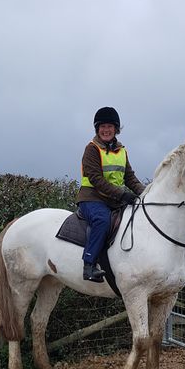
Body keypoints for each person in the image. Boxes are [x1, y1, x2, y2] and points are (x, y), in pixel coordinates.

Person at [77, 106, 145, 282]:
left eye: (110, 126)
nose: (106, 130)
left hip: (113, 200)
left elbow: (130, 177)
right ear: (97, 129)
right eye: (102, 126)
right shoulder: (91, 149)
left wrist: (146, 194)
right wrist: (122, 195)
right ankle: (89, 264)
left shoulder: (122, 151)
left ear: (116, 129)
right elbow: (96, 179)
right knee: (102, 220)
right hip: (92, 198)